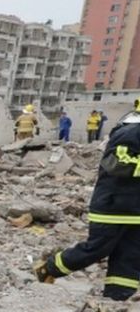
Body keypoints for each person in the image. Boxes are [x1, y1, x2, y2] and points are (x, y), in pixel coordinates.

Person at [34, 102, 140, 301]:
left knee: (130, 256)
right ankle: (49, 268)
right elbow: (116, 163)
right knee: (97, 249)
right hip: (113, 206)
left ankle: (117, 299)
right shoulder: (132, 130)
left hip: (135, 210)